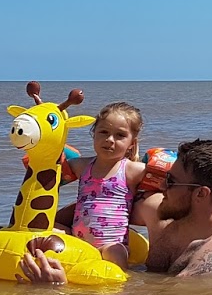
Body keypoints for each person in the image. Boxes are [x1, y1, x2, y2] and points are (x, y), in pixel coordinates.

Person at [19, 138, 212, 283]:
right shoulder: (160, 210)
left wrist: (60, 289)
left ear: (201, 194)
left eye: (170, 181)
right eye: (164, 177)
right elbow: (93, 211)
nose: (161, 186)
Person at [61, 99, 148, 267]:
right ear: (94, 134)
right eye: (103, 132)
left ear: (132, 144)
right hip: (78, 241)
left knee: (116, 252)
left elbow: (167, 177)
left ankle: (122, 281)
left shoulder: (130, 170)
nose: (109, 139)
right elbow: (55, 171)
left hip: (110, 245)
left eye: (120, 135)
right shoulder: (82, 166)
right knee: (51, 230)